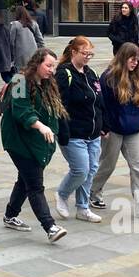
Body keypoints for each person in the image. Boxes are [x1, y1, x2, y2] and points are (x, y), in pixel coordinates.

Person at [0, 47, 68, 242]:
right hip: (18, 141)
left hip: (38, 142)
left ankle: (10, 215)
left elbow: (55, 111)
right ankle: (50, 227)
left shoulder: (48, 83)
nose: (51, 70)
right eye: (48, 65)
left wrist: (55, 131)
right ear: (37, 63)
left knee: (25, 179)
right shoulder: (19, 80)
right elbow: (21, 111)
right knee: (35, 185)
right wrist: (41, 127)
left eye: (54, 66)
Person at [90, 43, 139, 221]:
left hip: (133, 130)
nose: (135, 63)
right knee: (107, 165)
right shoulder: (108, 78)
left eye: (137, 60)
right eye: (132, 59)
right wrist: (104, 127)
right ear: (123, 57)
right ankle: (92, 191)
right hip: (112, 130)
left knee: (138, 167)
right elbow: (101, 104)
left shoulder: (137, 79)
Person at [53, 37, 104, 223]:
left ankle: (83, 208)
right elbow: (60, 105)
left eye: (90, 54)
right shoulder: (64, 74)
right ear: (73, 52)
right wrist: (63, 131)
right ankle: (62, 194)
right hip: (74, 133)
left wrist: (103, 124)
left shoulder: (91, 73)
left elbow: (99, 101)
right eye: (85, 53)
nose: (88, 57)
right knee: (80, 170)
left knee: (91, 170)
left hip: (93, 133)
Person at [8, 5, 44, 71]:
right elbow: (41, 40)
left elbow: (11, 42)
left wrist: (11, 55)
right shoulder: (34, 23)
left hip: (20, 55)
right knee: (32, 73)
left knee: (20, 75)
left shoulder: (15, 24)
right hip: (33, 53)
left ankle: (21, 81)